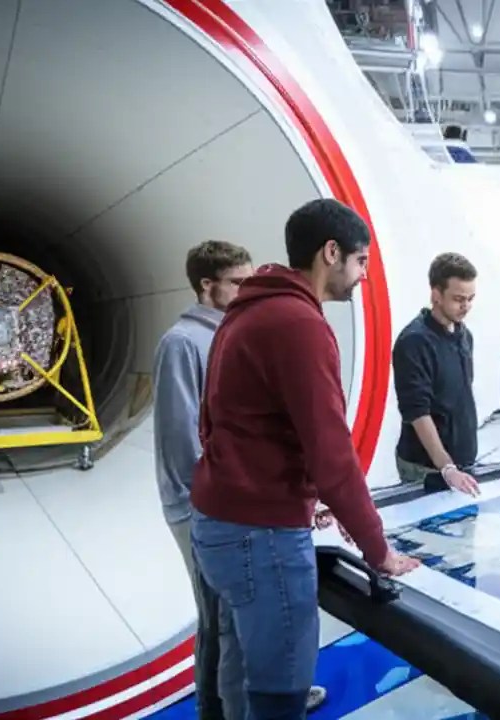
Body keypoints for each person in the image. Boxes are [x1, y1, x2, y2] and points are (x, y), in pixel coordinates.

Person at [189, 199, 420, 720]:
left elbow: (222, 421)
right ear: (331, 252)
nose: (362, 276)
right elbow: (331, 452)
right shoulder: (300, 324)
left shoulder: (248, 309)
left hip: (218, 520)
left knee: (237, 667)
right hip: (261, 535)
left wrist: (303, 493)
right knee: (280, 691)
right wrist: (378, 551)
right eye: (360, 261)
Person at [153, 240, 257, 720]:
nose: (246, 290)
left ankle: (231, 701)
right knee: (215, 617)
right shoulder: (182, 343)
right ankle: (213, 708)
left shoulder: (232, 335)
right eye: (237, 282)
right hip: (198, 505)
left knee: (226, 615)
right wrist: (215, 503)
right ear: (206, 285)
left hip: (226, 502)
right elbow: (182, 437)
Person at [391, 252, 482, 495]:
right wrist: (447, 467)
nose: (466, 306)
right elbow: (417, 412)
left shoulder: (464, 335)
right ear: (436, 295)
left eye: (470, 299)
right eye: (458, 299)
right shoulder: (414, 342)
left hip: (463, 465)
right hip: (427, 468)